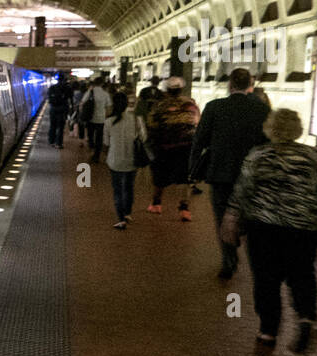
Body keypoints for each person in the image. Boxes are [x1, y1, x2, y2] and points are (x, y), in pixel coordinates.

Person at [220, 109, 317, 354]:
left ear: (270, 128)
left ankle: (268, 330)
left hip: (263, 226)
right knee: (302, 274)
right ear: (297, 129)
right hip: (304, 227)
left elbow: (242, 190)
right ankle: (305, 316)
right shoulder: (313, 157)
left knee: (266, 278)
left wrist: (231, 218)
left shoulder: (258, 154)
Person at [188, 68, 270, 279]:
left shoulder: (214, 107)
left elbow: (200, 140)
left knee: (223, 216)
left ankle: (229, 260)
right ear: (249, 85)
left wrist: (193, 169)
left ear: (230, 84)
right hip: (253, 176)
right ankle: (254, 260)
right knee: (251, 215)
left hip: (221, 172)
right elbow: (268, 143)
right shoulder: (261, 109)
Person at [145, 76, 200, 220]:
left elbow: (151, 125)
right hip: (187, 146)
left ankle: (156, 204)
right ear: (182, 89)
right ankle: (184, 209)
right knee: (185, 178)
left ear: (167, 90)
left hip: (165, 146)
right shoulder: (191, 104)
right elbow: (197, 122)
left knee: (160, 176)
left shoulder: (159, 105)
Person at [105, 91, 144, 229]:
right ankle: (128, 213)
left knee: (117, 190)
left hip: (114, 160)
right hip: (132, 159)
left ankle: (121, 219)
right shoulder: (136, 119)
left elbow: (106, 142)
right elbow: (143, 138)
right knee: (129, 188)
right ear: (128, 103)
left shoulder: (109, 121)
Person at [85, 77, 112, 163]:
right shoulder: (105, 94)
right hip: (101, 119)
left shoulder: (90, 92)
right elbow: (109, 108)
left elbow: (82, 103)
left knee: (90, 135)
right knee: (99, 138)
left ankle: (91, 148)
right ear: (102, 84)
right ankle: (96, 155)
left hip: (90, 118)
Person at [46, 74, 71, 148]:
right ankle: (59, 143)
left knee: (52, 125)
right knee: (60, 127)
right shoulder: (67, 88)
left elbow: (49, 98)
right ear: (64, 79)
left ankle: (51, 141)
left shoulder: (52, 87)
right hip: (62, 109)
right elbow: (69, 99)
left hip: (53, 109)